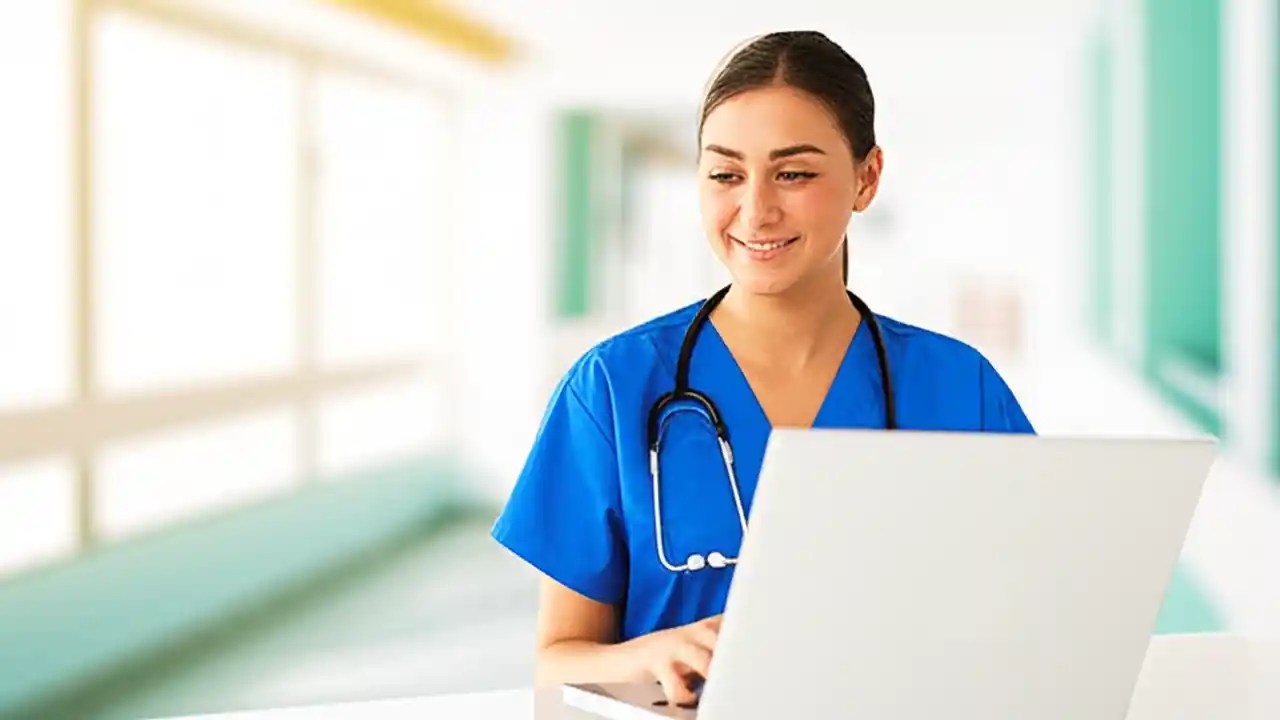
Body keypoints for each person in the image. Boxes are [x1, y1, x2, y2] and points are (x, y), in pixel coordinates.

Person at [490, 30, 1035, 705]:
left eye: (794, 173)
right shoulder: (612, 388)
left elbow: (1025, 620)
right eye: (725, 174)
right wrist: (650, 653)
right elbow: (554, 663)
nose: (756, 209)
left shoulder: (961, 388)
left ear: (867, 178)